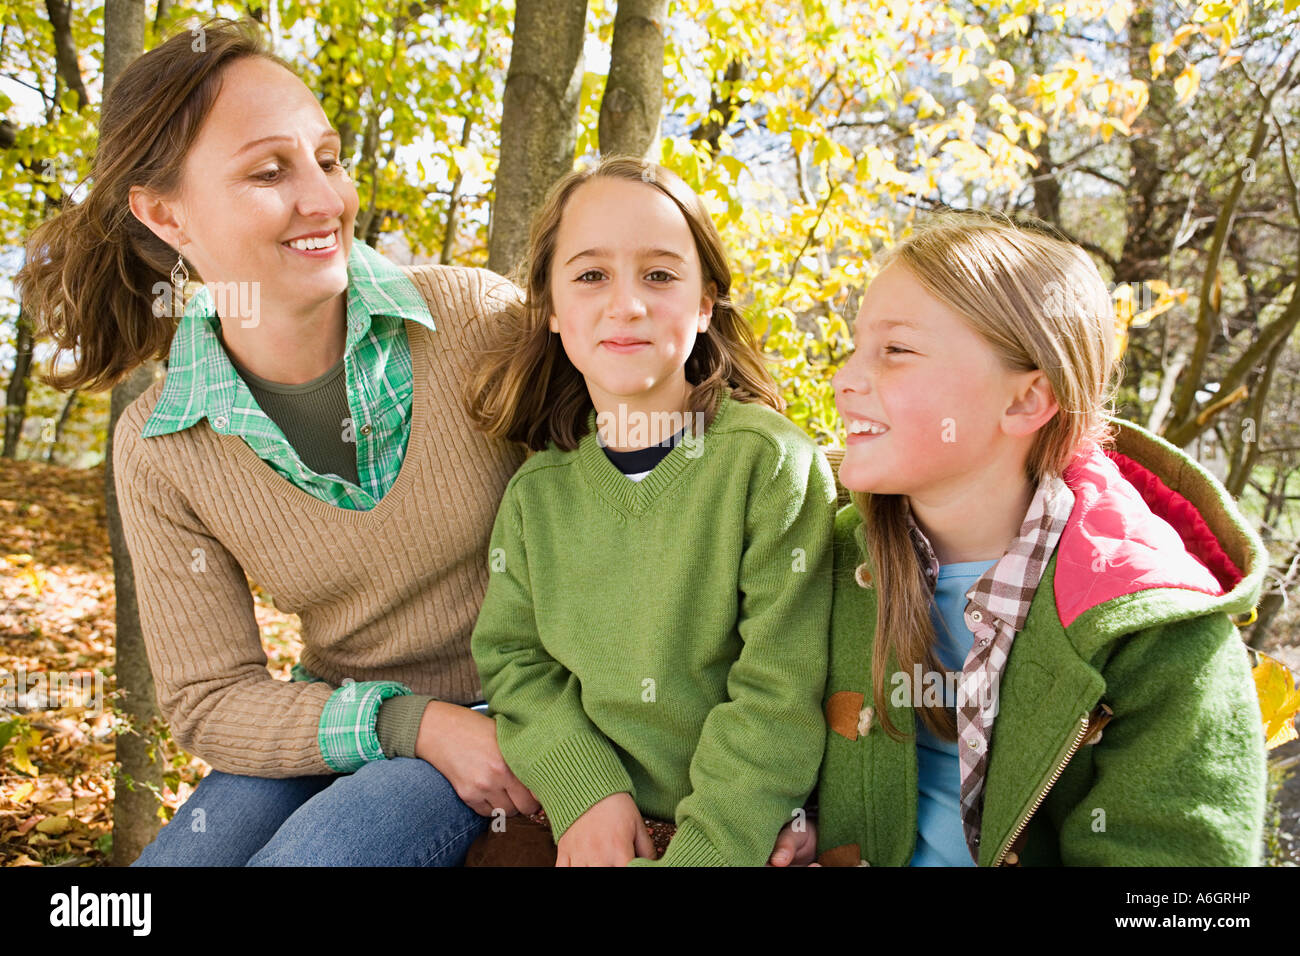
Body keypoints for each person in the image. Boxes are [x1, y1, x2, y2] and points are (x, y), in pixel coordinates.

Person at [17, 17, 540, 866]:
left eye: (327, 160)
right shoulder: (161, 443)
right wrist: (408, 722)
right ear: (165, 214)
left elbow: (644, 483)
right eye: (269, 171)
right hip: (348, 716)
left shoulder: (475, 321)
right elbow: (213, 697)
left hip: (524, 703)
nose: (325, 201)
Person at [769, 214, 1267, 867]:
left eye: (895, 351)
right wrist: (787, 815)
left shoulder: (1155, 631)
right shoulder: (812, 556)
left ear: (1027, 401)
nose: (844, 379)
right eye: (856, 346)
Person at [464, 156, 835, 866]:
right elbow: (515, 662)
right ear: (550, 306)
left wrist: (708, 850)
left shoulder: (767, 464)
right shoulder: (537, 495)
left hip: (738, 832)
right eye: (591, 275)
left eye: (660, 275)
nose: (626, 304)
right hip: (582, 826)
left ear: (705, 304)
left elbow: (779, 691)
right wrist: (586, 791)